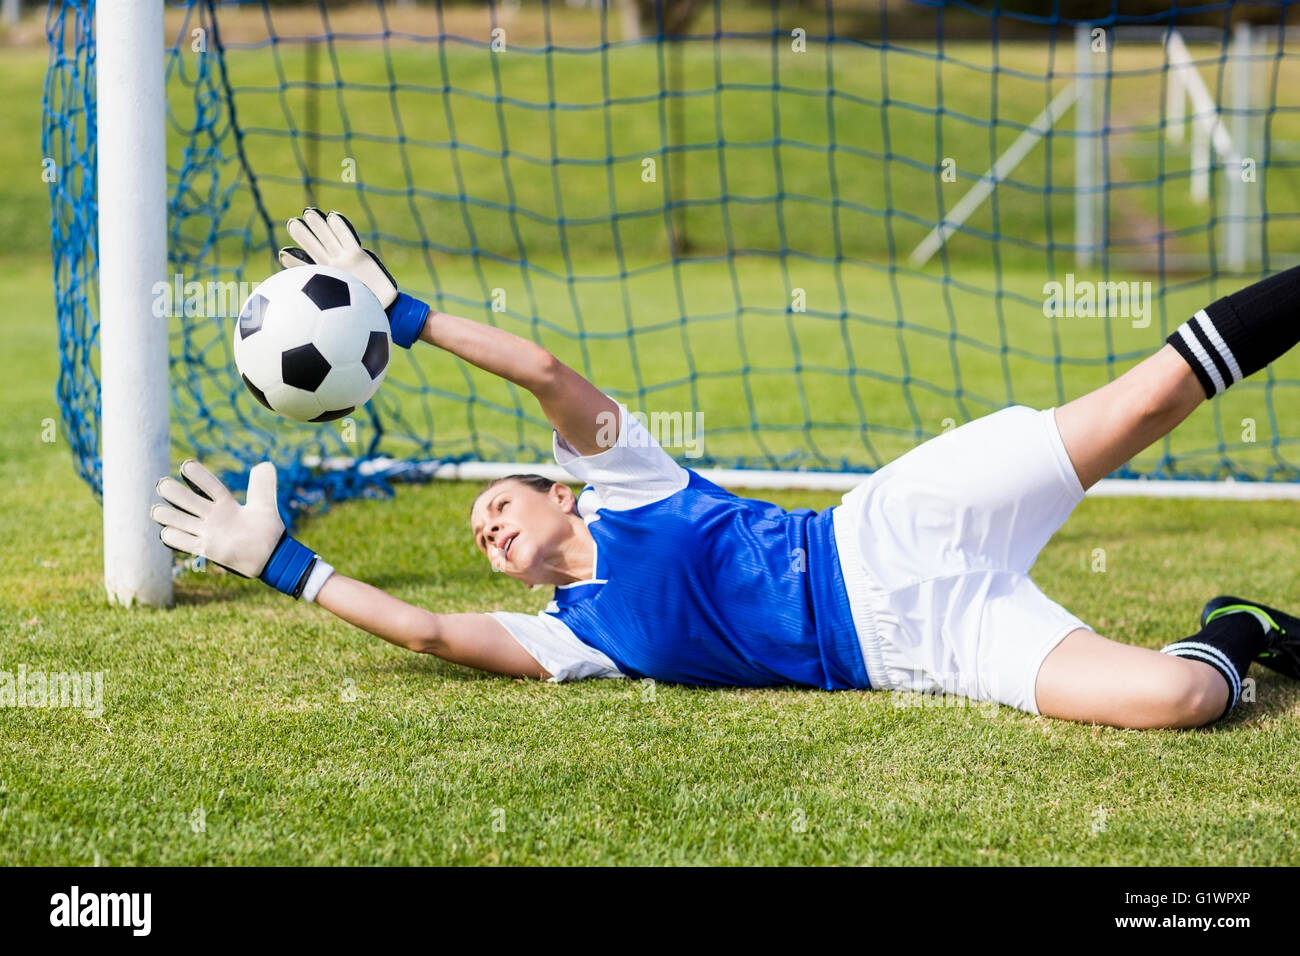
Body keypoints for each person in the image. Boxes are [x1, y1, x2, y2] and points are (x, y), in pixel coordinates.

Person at [151, 208, 1300, 730]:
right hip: (922, 648)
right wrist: (284, 562)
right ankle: (1237, 618)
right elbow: (430, 632)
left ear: (558, 488)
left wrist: (405, 311)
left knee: (1150, 394)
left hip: (887, 529)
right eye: (480, 537)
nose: (484, 527)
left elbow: (547, 372)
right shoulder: (576, 634)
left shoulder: (633, 481)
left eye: (494, 500)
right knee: (1182, 696)